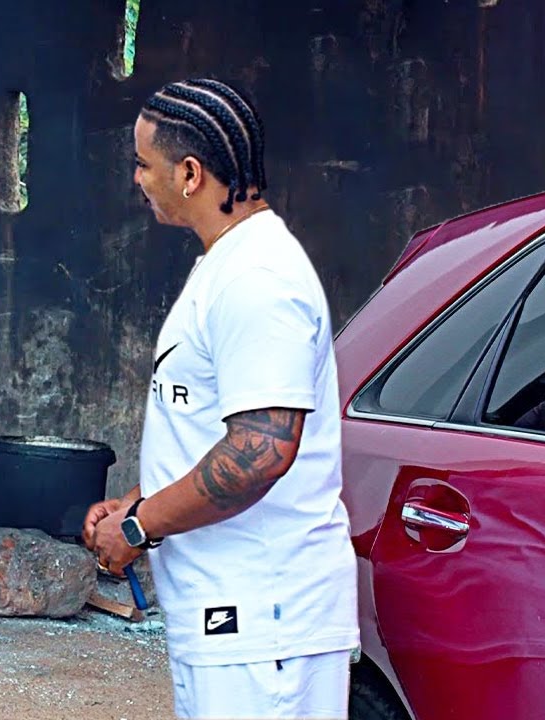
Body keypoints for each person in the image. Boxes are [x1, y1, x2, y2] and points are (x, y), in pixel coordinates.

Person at [84, 79, 357, 719]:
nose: (137, 178)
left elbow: (260, 452)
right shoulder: (228, 264)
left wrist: (138, 527)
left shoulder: (259, 279)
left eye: (143, 165)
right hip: (236, 616)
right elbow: (215, 426)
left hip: (265, 616)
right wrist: (140, 497)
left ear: (188, 173)